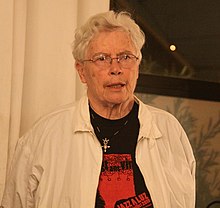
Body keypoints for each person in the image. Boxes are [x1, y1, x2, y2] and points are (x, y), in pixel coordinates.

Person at [1, 10, 196, 208]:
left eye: (126, 57)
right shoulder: (44, 136)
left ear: (138, 65)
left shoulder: (169, 130)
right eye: (102, 58)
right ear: (82, 71)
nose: (116, 68)